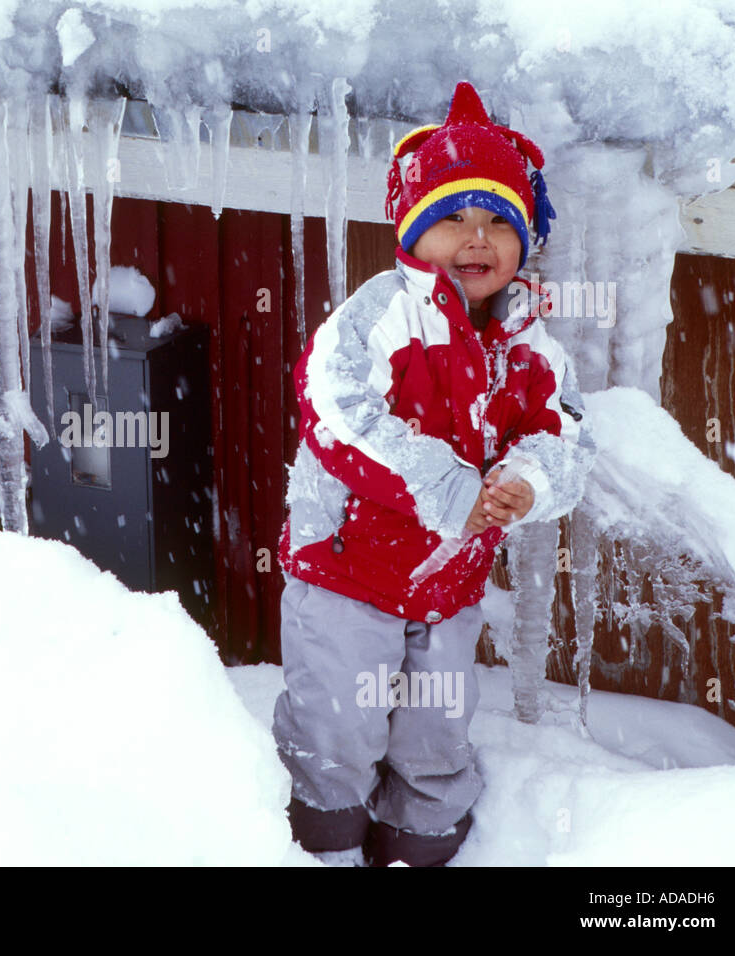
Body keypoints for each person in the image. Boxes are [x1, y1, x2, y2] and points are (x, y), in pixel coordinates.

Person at [274, 81, 596, 866]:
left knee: (435, 735)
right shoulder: (383, 313)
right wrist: (444, 482)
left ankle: (417, 849)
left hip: (447, 588)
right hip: (346, 574)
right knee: (337, 730)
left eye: (497, 222)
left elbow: (565, 438)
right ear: (415, 234)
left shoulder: (532, 347)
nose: (475, 238)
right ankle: (323, 845)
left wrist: (526, 482)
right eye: (453, 218)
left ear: (525, 240)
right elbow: (335, 403)